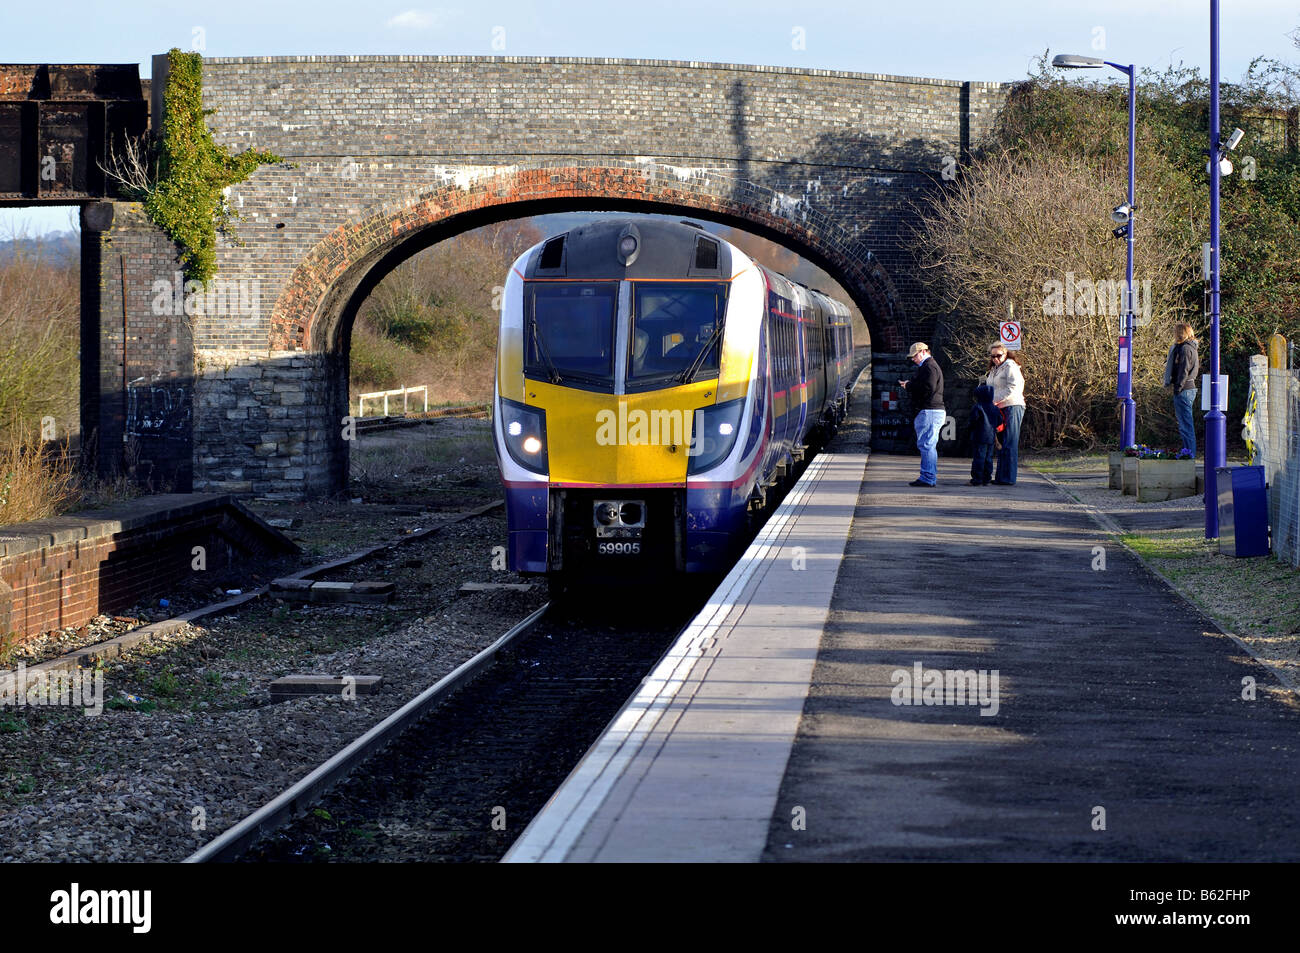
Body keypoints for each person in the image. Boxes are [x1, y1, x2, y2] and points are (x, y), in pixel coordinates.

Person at [899, 341, 944, 487]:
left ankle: (928, 477)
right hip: (932, 410)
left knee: (927, 445)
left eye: (915, 355)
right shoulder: (929, 366)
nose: (913, 359)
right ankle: (928, 476)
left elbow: (928, 388)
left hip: (930, 411)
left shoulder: (929, 367)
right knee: (928, 445)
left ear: (924, 351)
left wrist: (909, 385)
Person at [985, 343, 1025, 485]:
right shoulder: (995, 369)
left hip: (1012, 406)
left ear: (1006, 354)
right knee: (1002, 443)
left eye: (998, 355)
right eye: (993, 356)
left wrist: (994, 399)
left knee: (1009, 442)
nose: (996, 358)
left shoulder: (1010, 367)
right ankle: (1002, 477)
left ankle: (1008, 478)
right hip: (1000, 407)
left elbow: (1014, 387)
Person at [1165, 323, 1199, 455]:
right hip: (1188, 388)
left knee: (1185, 426)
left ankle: (1189, 454)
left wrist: (1177, 388)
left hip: (1184, 389)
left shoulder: (1185, 349)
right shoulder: (1190, 348)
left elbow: (1183, 371)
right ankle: (1188, 452)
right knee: (1185, 424)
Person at [968, 383, 1001, 486]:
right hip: (991, 436)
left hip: (979, 435)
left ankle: (977, 479)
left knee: (979, 457)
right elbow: (999, 420)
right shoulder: (994, 408)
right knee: (988, 458)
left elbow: (973, 420)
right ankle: (986, 478)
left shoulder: (978, 407)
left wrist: (971, 427)